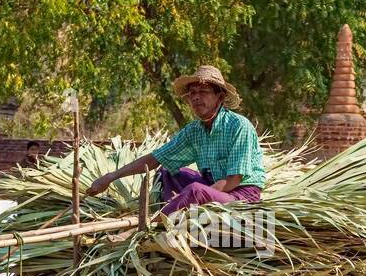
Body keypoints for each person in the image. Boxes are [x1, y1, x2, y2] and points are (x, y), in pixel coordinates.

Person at [86, 65, 264, 215]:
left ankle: (156, 224)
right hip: (213, 189)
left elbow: (233, 179)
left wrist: (196, 199)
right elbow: (156, 158)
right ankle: (175, 216)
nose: (195, 97)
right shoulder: (194, 131)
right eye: (192, 93)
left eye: (203, 91)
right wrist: (111, 177)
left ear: (220, 97)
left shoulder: (238, 126)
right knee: (167, 171)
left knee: (195, 190)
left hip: (240, 197)